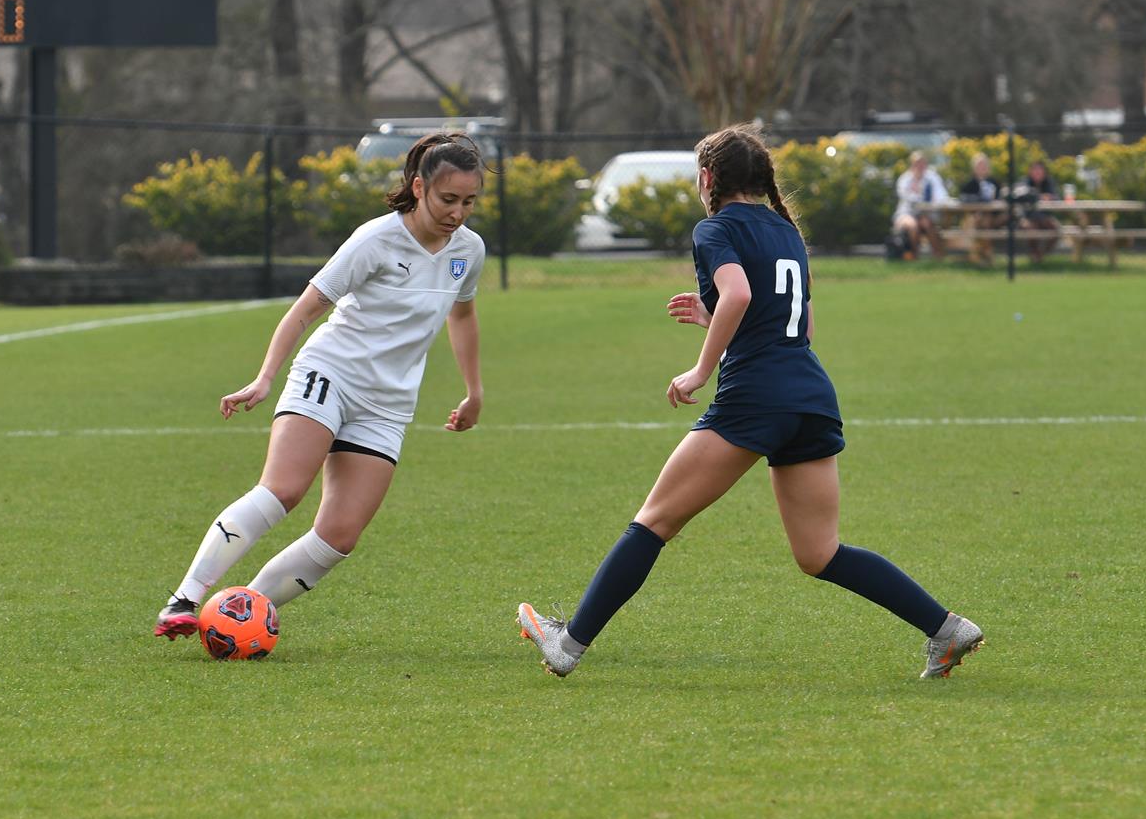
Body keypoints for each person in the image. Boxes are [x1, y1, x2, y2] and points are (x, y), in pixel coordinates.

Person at [516, 123, 984, 681]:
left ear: (708, 177)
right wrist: (714, 321)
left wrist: (700, 368)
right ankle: (946, 629)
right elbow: (796, 326)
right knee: (820, 553)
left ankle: (566, 645)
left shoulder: (715, 228)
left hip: (756, 396)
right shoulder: (786, 232)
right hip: (809, 395)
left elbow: (740, 293)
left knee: (655, 520)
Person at [154, 133, 487, 638]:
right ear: (418, 188)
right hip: (330, 374)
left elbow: (461, 316)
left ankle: (244, 614)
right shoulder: (375, 239)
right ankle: (186, 598)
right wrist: (265, 377)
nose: (458, 212)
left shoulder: (469, 250)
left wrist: (474, 391)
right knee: (284, 489)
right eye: (448, 199)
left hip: (388, 404)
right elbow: (306, 309)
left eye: (469, 201)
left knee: (339, 535)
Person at [891, 150, 949, 258]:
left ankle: (938, 256)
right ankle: (913, 256)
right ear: (912, 165)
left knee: (928, 224)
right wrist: (919, 195)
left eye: (922, 163)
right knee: (913, 226)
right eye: (917, 163)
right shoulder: (905, 179)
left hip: (925, 214)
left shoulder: (932, 177)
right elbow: (908, 198)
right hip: (905, 213)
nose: (920, 166)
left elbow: (941, 196)